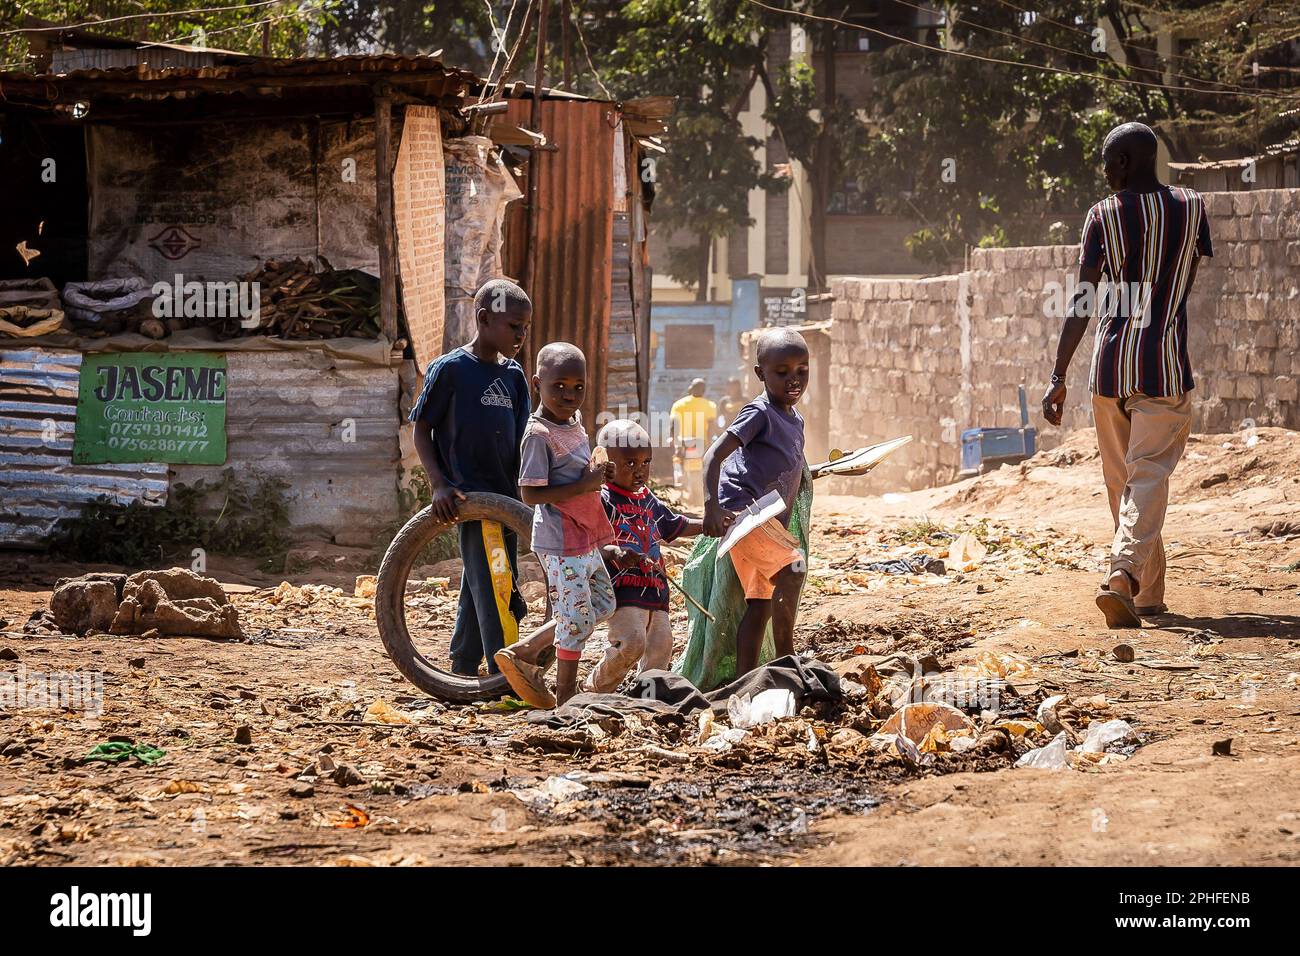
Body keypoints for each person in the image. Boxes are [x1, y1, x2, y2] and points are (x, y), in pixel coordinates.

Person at [1042, 121, 1213, 628]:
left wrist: (1058, 372)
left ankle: (1124, 577)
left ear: (1123, 163)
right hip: (1163, 365)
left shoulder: (1103, 216)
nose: (1104, 173)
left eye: (1106, 163)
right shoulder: (1191, 206)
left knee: (1127, 484)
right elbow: (1186, 283)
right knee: (1146, 477)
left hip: (1111, 367)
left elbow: (1083, 300)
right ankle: (1142, 590)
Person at [408, 278, 532, 676]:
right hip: (468, 500)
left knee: (484, 577)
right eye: (514, 326)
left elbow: (524, 438)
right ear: (483, 319)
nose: (521, 335)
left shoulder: (514, 376)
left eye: (525, 328)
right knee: (498, 585)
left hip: (507, 502)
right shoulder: (450, 370)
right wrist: (439, 483)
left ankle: (463, 662)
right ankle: (504, 671)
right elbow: (421, 428)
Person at [494, 342, 616, 707]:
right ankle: (566, 697)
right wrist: (586, 484)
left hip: (585, 533)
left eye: (578, 386)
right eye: (559, 385)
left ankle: (525, 650)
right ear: (537, 383)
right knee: (576, 621)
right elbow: (530, 494)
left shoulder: (574, 423)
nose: (570, 394)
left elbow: (581, 472)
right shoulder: (538, 435)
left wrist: (598, 473)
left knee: (603, 603)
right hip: (560, 541)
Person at [701, 328, 809, 676]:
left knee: (760, 606)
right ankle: (785, 660)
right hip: (745, 513)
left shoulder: (795, 419)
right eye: (782, 372)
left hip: (767, 520)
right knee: (792, 570)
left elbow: (787, 467)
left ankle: (746, 680)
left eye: (802, 369)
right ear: (761, 374)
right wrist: (710, 507)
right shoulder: (759, 412)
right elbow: (713, 456)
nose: (794, 379)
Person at [584, 419, 703, 693]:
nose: (639, 471)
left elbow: (677, 525)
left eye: (645, 462)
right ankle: (596, 689)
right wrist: (615, 553)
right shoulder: (602, 500)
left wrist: (710, 524)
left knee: (661, 646)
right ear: (607, 465)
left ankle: (647, 696)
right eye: (629, 464)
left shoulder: (648, 499)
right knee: (632, 642)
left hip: (656, 590)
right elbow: (588, 545)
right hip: (623, 591)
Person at [669, 378, 718, 506]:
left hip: (683, 442)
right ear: (704, 390)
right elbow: (711, 426)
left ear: (690, 388)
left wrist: (673, 440)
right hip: (700, 443)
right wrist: (711, 442)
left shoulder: (678, 404)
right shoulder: (710, 405)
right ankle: (697, 497)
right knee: (699, 468)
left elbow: (674, 424)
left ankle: (681, 494)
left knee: (679, 466)